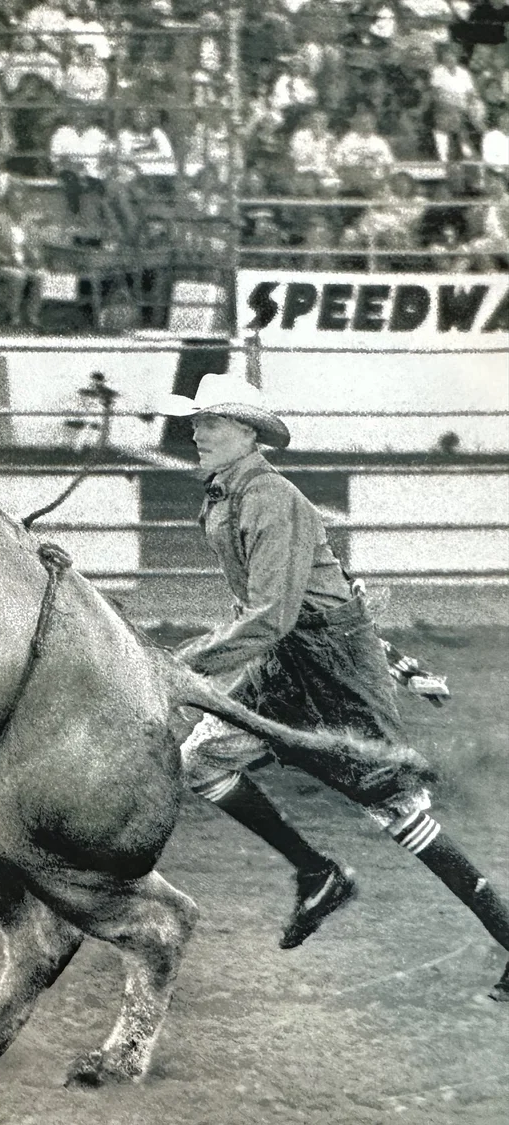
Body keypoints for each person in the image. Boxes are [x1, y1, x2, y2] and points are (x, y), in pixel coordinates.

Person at [155, 373, 509, 999]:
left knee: (396, 811)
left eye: (210, 422)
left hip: (330, 668)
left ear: (247, 433)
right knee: (203, 761)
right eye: (196, 421)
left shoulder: (269, 499)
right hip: (288, 663)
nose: (195, 431)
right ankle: (318, 873)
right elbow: (287, 601)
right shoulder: (225, 496)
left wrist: (186, 666)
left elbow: (272, 614)